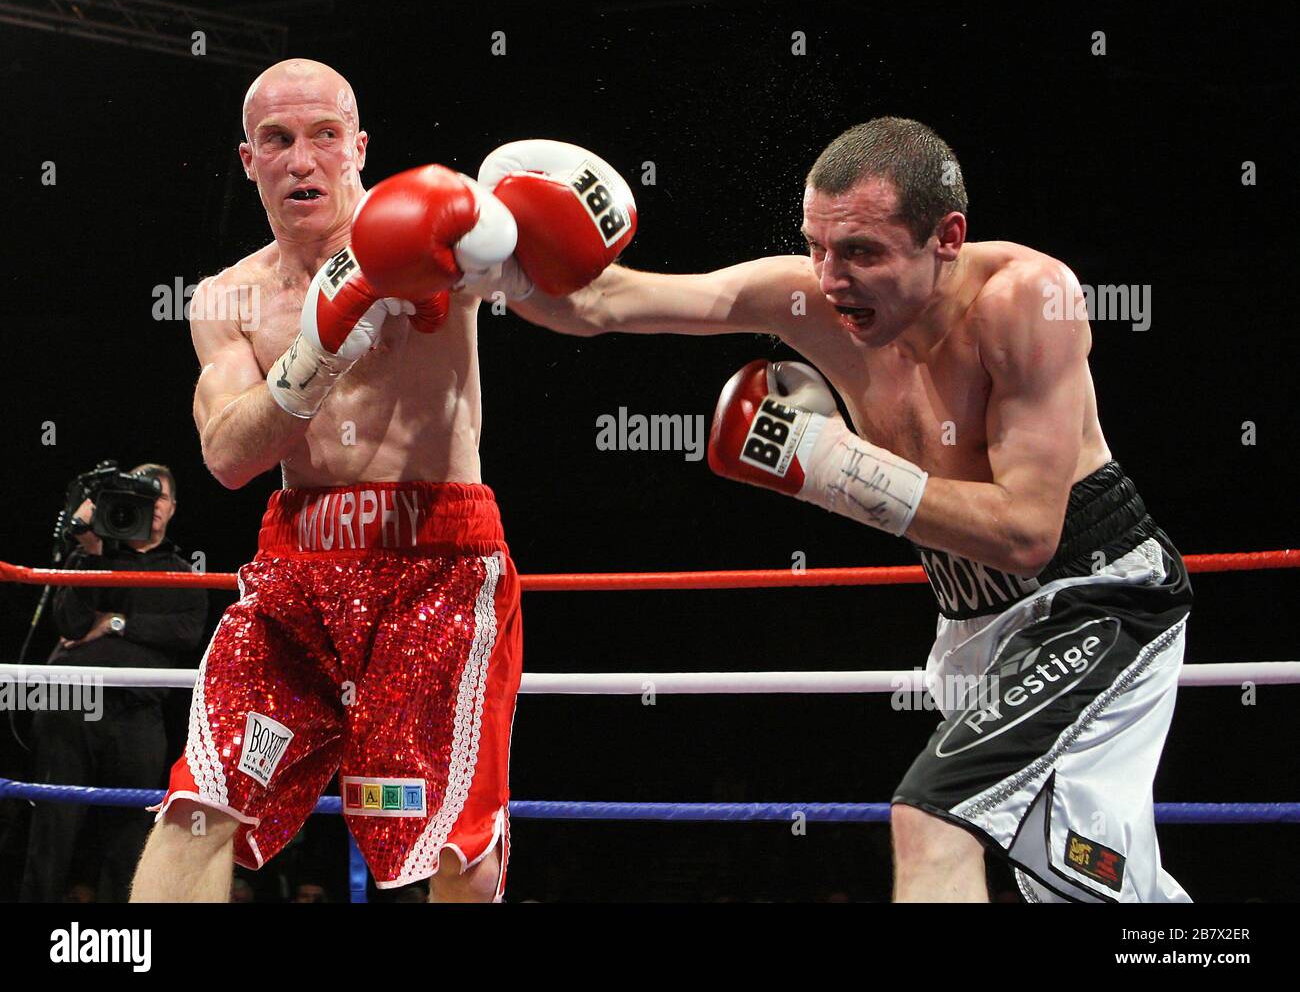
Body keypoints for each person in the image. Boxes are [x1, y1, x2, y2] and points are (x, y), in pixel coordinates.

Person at [477, 121, 1191, 902]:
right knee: (1081, 882)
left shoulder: (1027, 300)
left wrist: (829, 465)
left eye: (861, 252)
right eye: (817, 246)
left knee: (933, 818)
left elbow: (1027, 534)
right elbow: (603, 301)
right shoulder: (808, 297)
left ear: (946, 238)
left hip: (1095, 601)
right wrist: (482, 263)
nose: (831, 277)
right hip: (969, 621)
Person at [128, 60, 630, 903]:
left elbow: (588, 300)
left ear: (359, 148)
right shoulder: (225, 300)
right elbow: (227, 455)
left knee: (448, 849)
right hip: (297, 573)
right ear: (248, 160)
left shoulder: (440, 236)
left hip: (435, 560)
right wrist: (316, 351)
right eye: (277, 141)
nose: (302, 161)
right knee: (199, 798)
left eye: (325, 137)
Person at [22, 464, 208, 902]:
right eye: (144, 497)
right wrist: (88, 552)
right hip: (70, 703)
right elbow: (68, 622)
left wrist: (116, 623)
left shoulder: (183, 572)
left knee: (130, 838)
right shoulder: (94, 556)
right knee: (52, 831)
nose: (153, 507)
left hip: (137, 716)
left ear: (173, 507)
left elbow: (187, 632)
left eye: (160, 497)